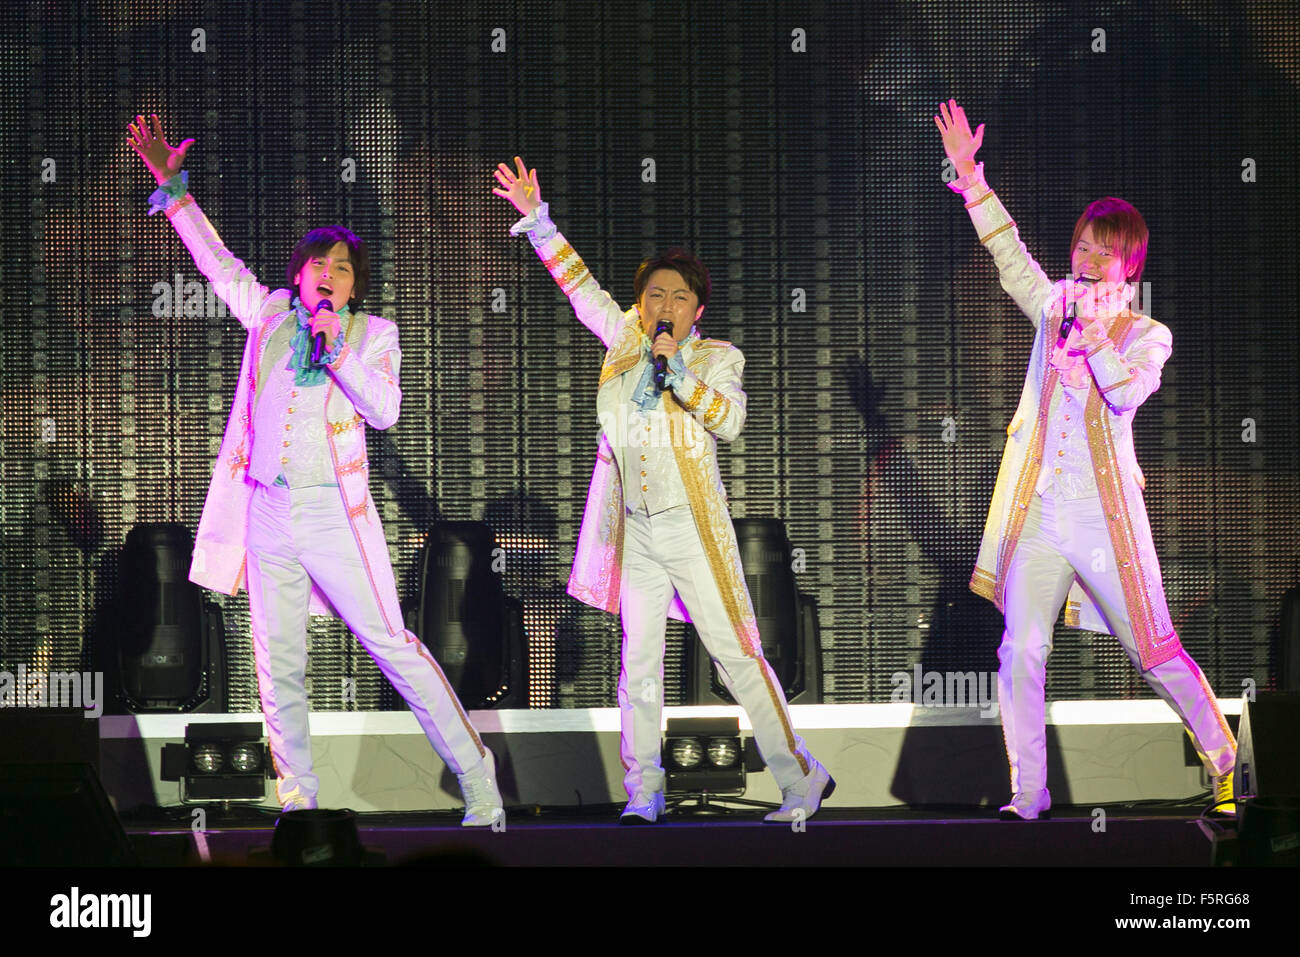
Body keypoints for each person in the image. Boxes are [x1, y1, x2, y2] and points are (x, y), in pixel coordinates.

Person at [127, 114, 503, 825]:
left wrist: (338, 348)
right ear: (297, 273)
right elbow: (217, 262)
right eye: (317, 263)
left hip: (336, 511)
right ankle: (300, 804)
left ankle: (479, 778)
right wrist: (172, 188)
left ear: (356, 284)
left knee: (394, 645)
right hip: (269, 509)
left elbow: (385, 410)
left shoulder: (373, 334)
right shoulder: (268, 313)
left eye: (342, 267)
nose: (327, 275)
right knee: (280, 663)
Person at [492, 156, 834, 824]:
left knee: (738, 655)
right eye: (654, 295)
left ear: (696, 309)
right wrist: (539, 222)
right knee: (638, 663)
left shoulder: (715, 357)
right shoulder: (622, 339)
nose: (663, 305)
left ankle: (801, 777)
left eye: (678, 296)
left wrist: (678, 372)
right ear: (639, 302)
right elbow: (580, 286)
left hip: (691, 526)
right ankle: (643, 788)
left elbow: (731, 421)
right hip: (637, 530)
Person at [934, 99, 1237, 819]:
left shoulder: (1145, 333)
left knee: (1155, 652)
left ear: (1129, 263)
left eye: (1105, 250)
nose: (1087, 259)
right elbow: (1010, 257)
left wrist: (1092, 335)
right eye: (1082, 246)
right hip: (1041, 510)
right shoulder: (1052, 307)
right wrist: (972, 177)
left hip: (1104, 520)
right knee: (1022, 649)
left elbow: (1127, 393)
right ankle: (1027, 792)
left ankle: (1227, 763)